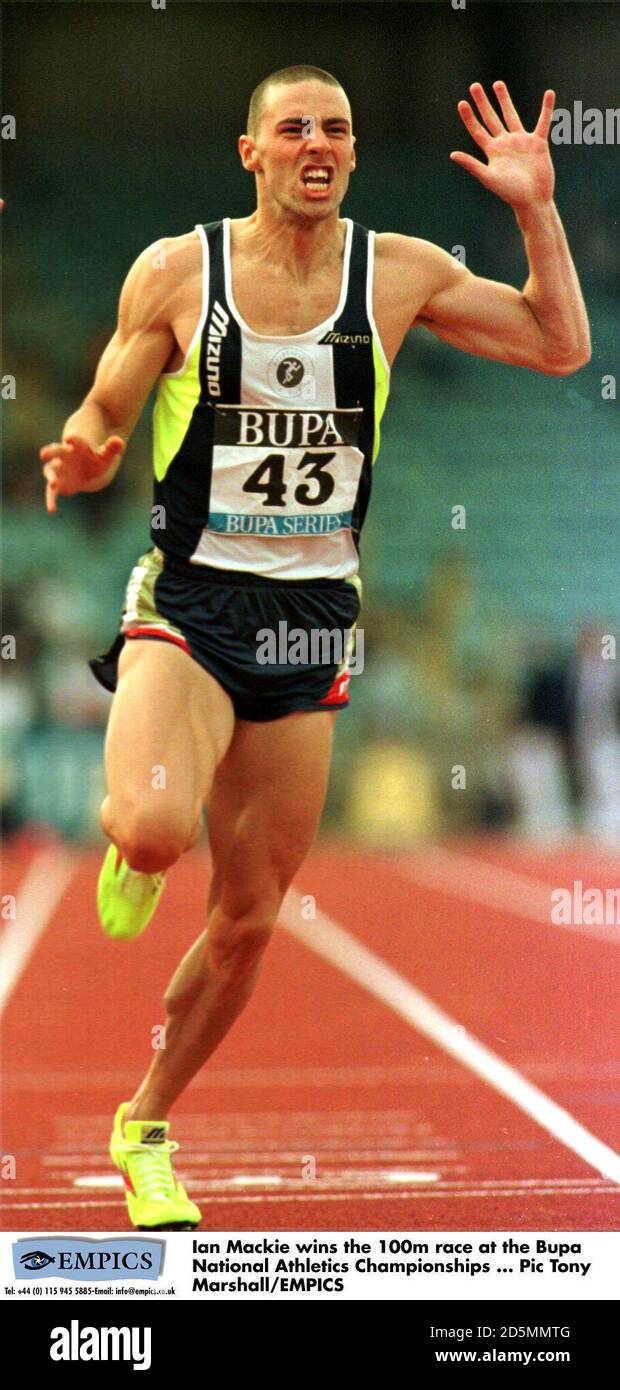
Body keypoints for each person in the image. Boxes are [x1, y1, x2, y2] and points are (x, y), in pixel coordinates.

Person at [40, 65, 590, 1230]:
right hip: (188, 604)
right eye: (292, 126)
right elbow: (107, 401)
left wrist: (533, 208)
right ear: (251, 153)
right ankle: (135, 849)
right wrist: (88, 447)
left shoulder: (396, 274)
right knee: (148, 821)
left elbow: (556, 347)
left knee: (246, 918)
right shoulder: (180, 271)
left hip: (309, 622)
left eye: (336, 125)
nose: (316, 142)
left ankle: (144, 1124)